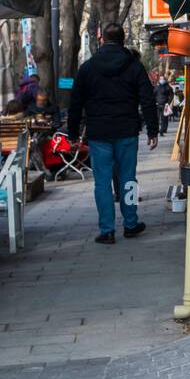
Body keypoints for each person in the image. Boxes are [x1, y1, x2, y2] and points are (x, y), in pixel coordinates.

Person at [67, 21, 158, 245]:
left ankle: (107, 229)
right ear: (122, 39)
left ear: (102, 40)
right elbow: (147, 99)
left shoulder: (87, 68)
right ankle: (130, 223)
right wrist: (153, 130)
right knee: (128, 178)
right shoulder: (134, 66)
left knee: (102, 182)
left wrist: (72, 132)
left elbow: (75, 102)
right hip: (127, 130)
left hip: (99, 133)